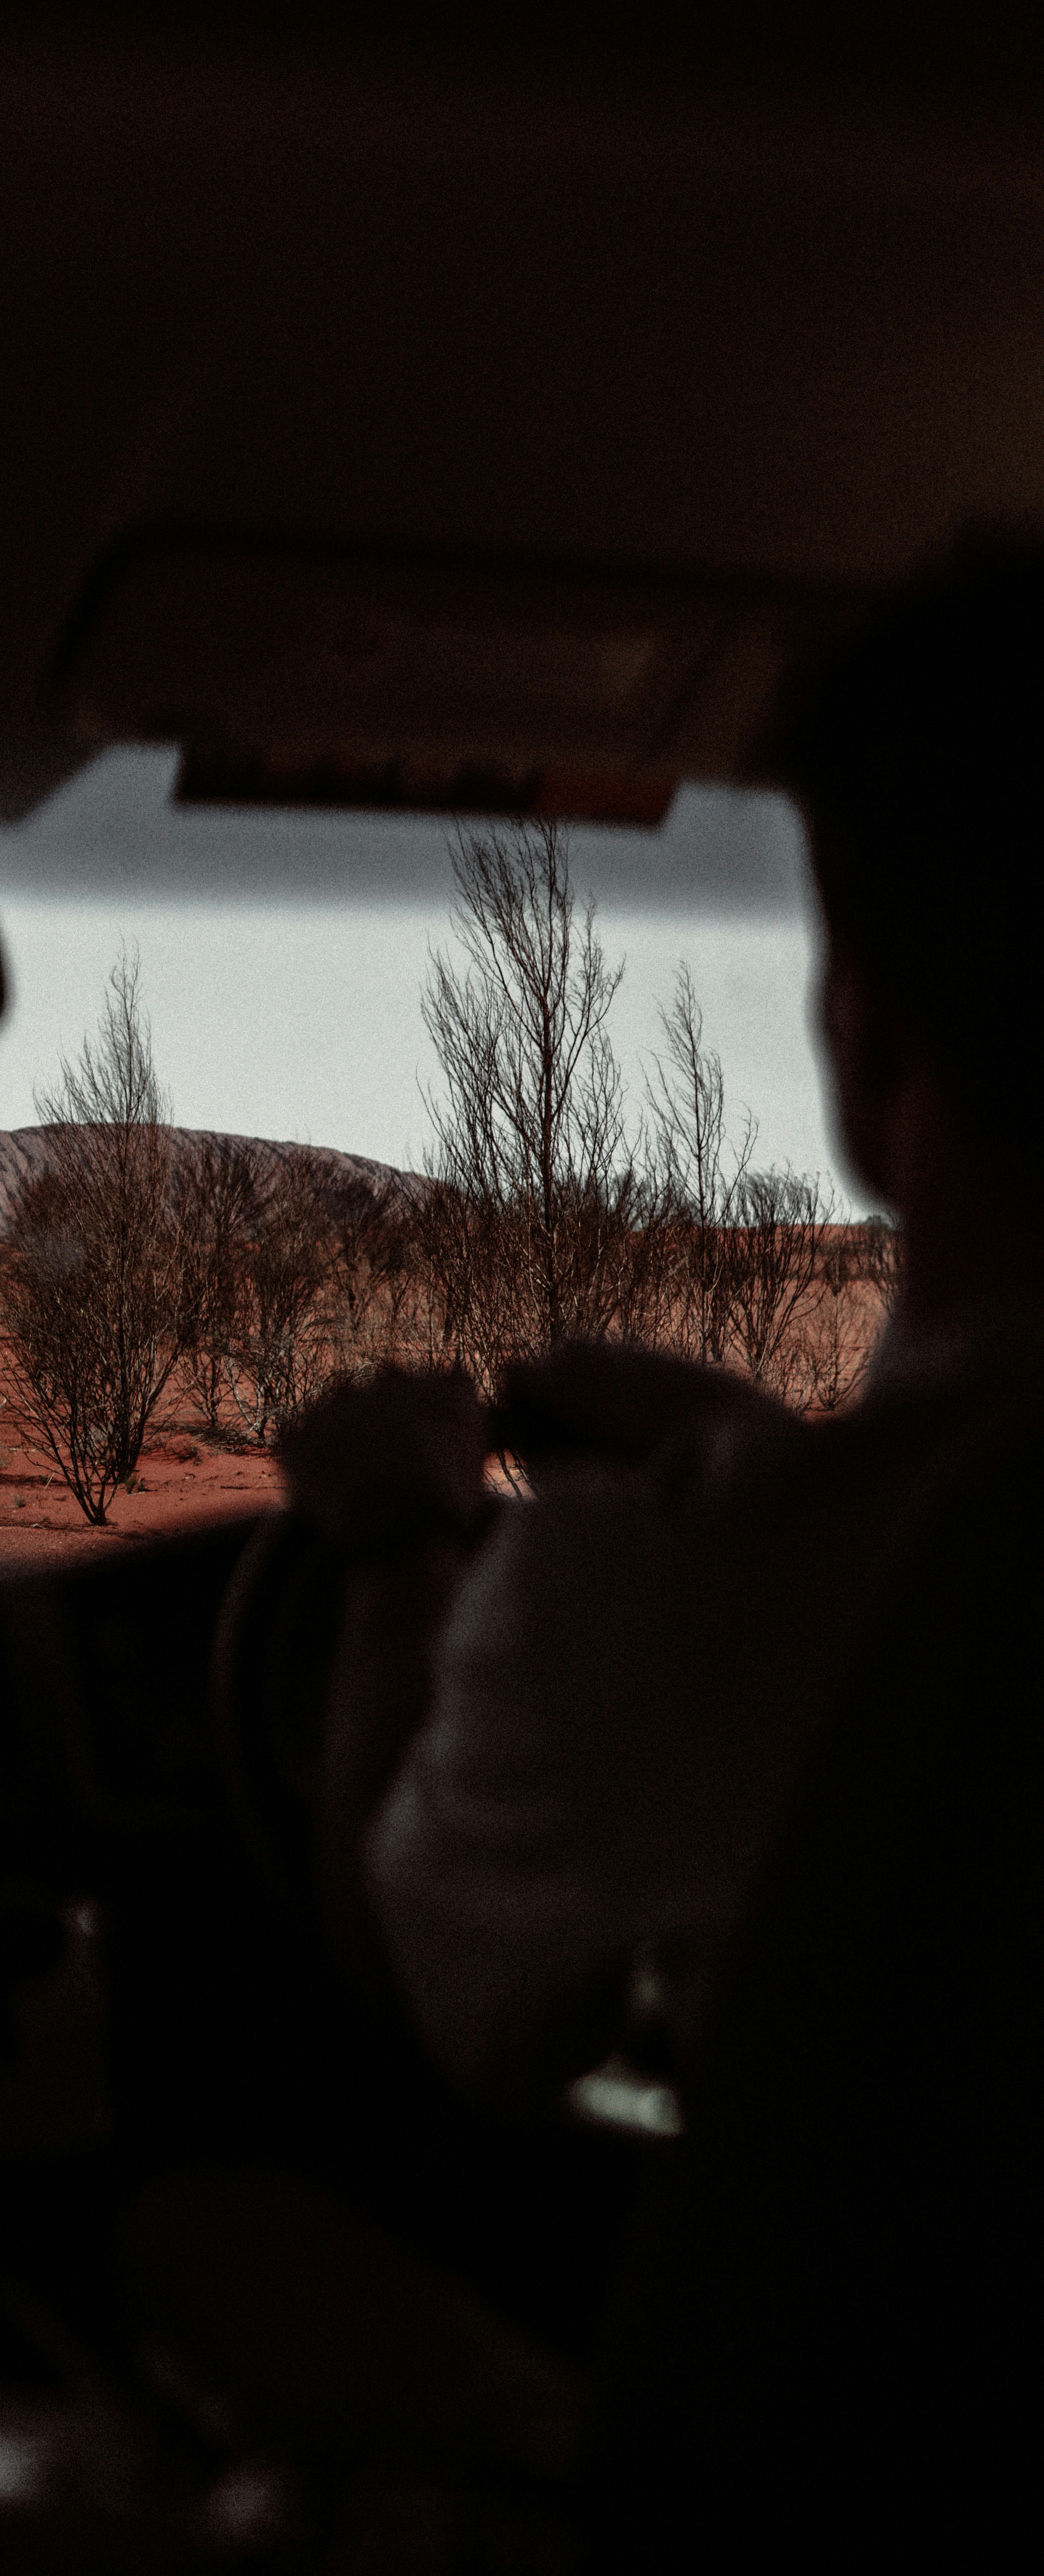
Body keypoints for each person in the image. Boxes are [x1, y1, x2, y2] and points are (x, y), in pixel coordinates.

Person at [288, 539, 1044, 2111]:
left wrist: (392, 1545)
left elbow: (450, 1998)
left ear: (869, 1024)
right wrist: (753, 1452)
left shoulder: (657, 1601)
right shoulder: (834, 1554)